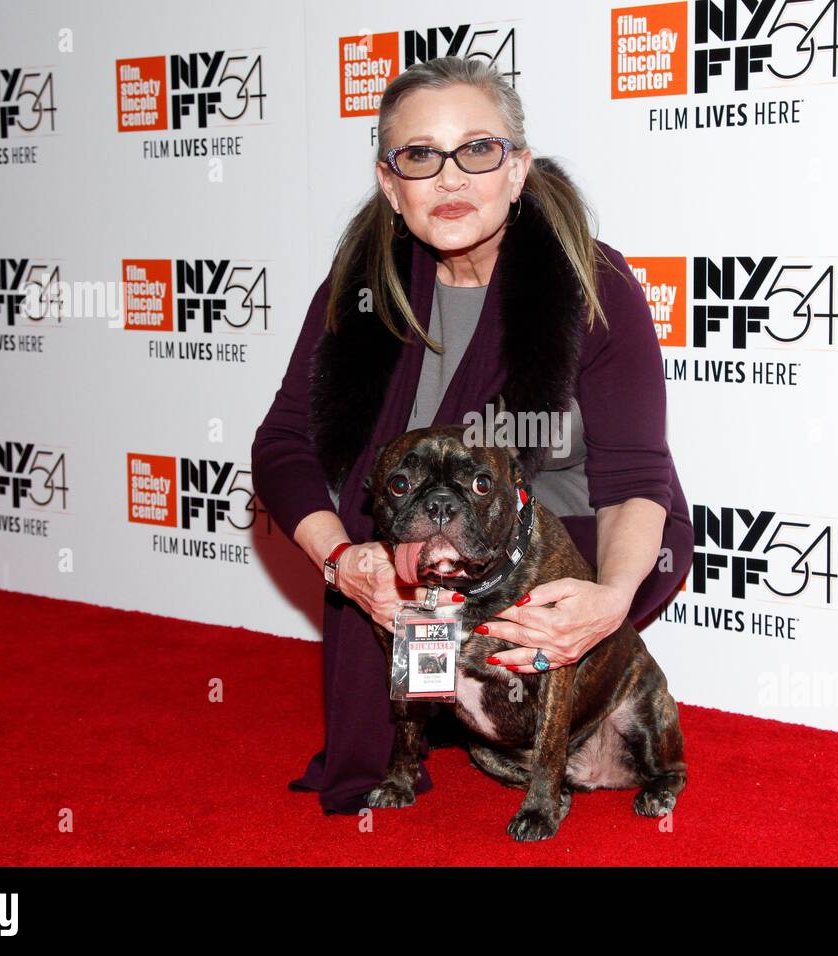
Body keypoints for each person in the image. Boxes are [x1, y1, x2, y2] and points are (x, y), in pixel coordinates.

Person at [251, 56, 693, 815]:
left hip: (568, 537)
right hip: (404, 547)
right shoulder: (357, 289)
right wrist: (342, 560)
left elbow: (636, 477)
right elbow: (282, 444)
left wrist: (610, 597)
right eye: (420, 156)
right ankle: (433, 709)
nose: (450, 179)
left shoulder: (591, 283)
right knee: (399, 545)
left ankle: (537, 706)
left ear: (517, 169)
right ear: (391, 185)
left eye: (478, 150)